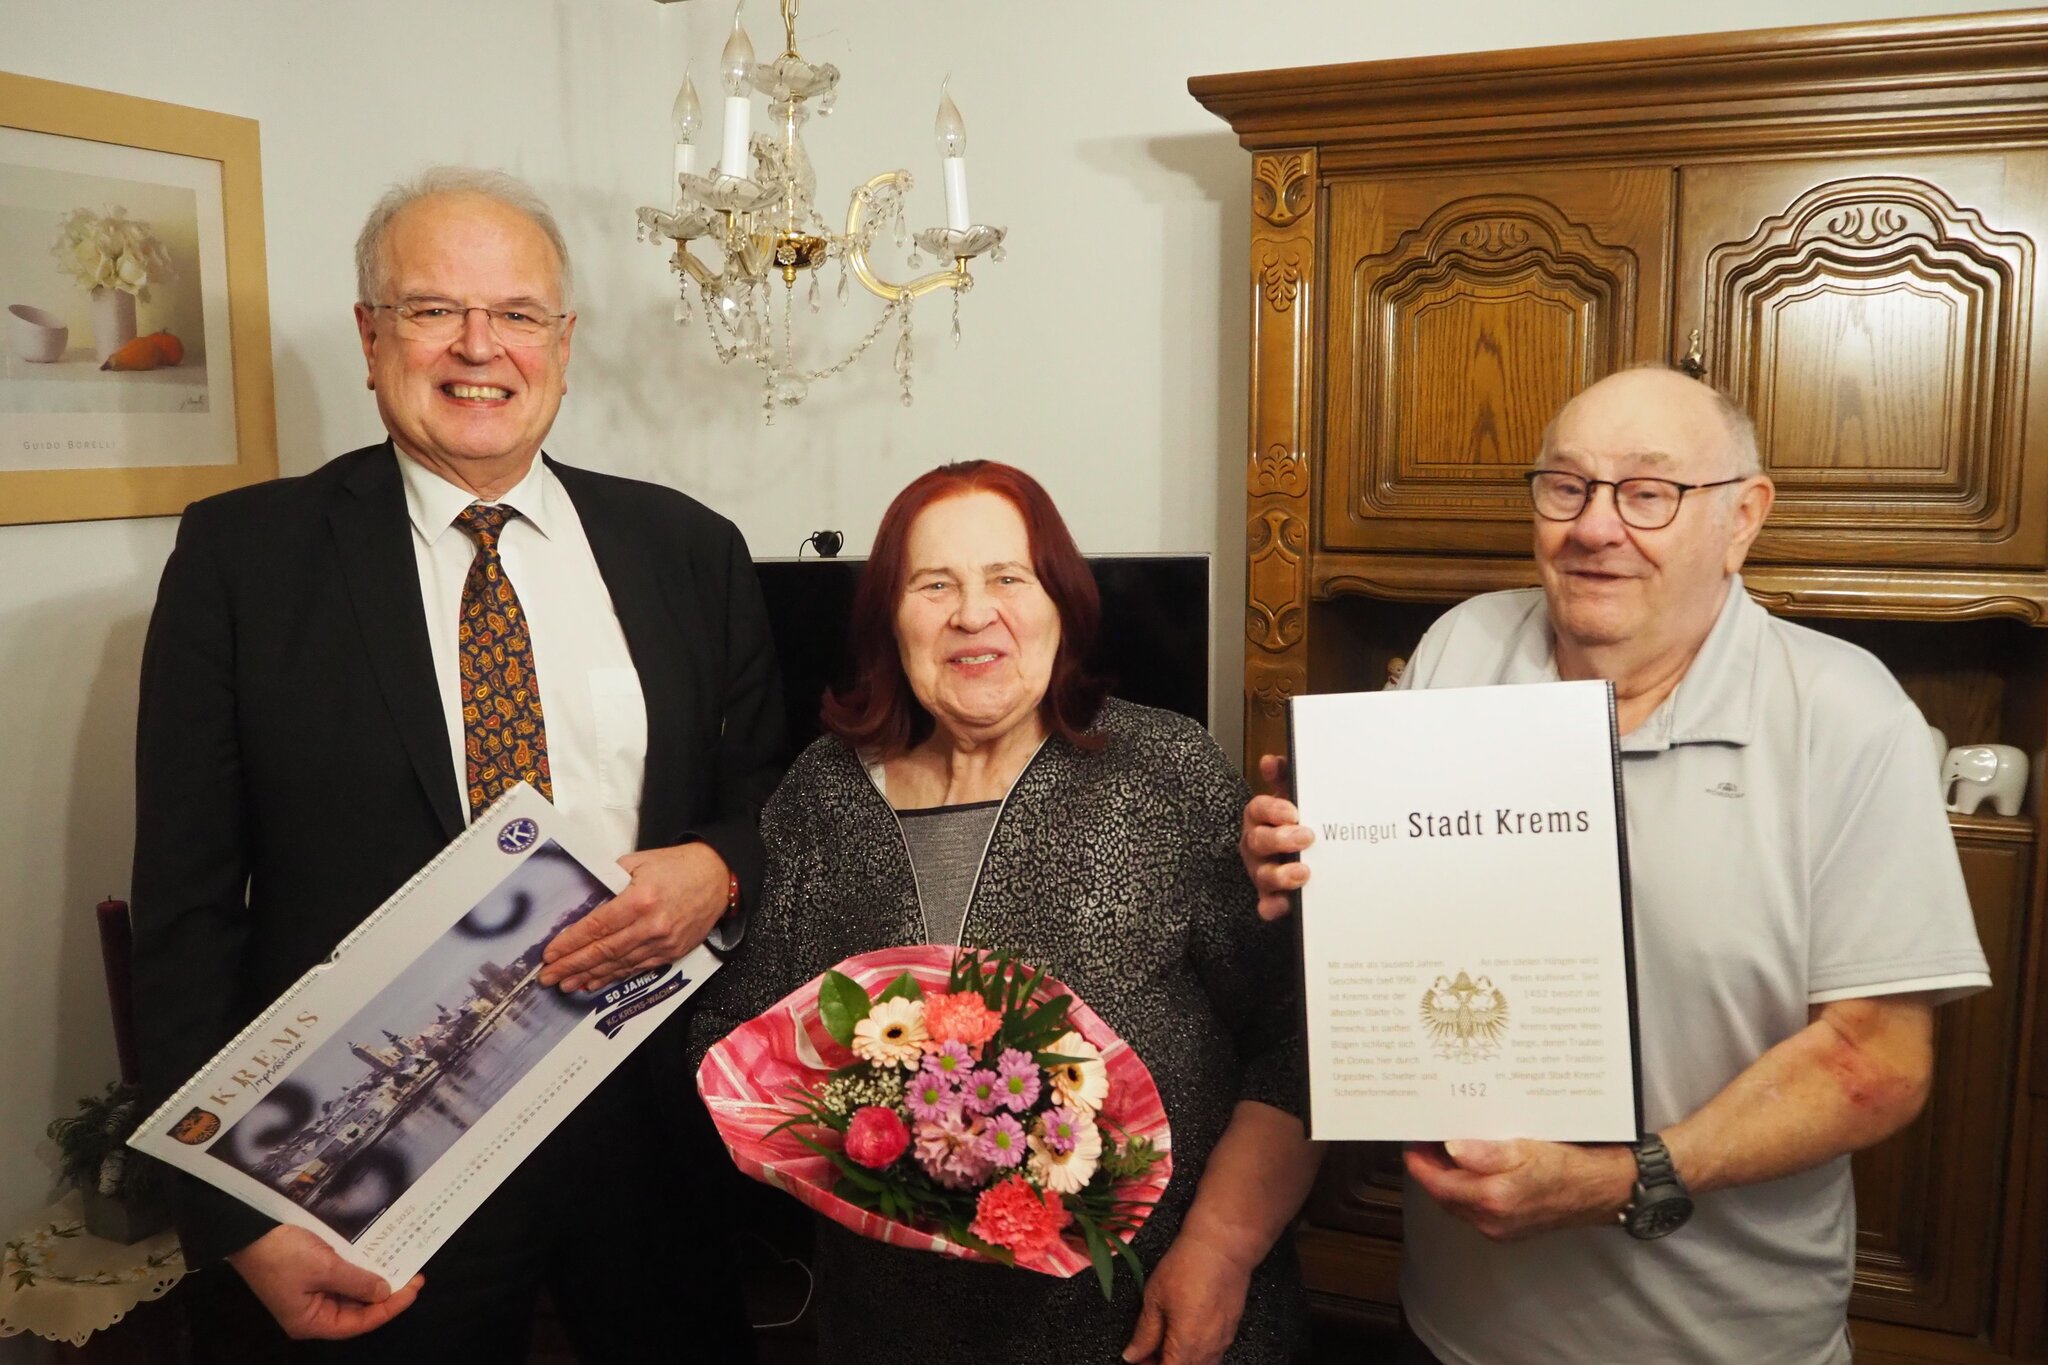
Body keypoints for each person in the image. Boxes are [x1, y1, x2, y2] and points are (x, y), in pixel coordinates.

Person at [130, 166, 783, 1361]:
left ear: (563, 344)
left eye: (517, 314)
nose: (478, 347)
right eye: (433, 310)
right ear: (373, 338)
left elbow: (772, 801)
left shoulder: (687, 547)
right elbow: (182, 913)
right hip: (368, 1161)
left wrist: (721, 867)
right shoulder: (244, 562)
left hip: (646, 1131)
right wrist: (229, 1217)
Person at [1239, 366, 1991, 1365]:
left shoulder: (1846, 716)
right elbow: (1398, 931)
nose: (1595, 527)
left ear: (1741, 517)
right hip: (1455, 1328)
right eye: (1566, 486)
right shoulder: (1458, 649)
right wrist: (1305, 862)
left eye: (1648, 493)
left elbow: (1876, 1061)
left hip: (1722, 1343)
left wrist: (1624, 1180)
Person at [688, 461, 1320, 1364]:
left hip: (1156, 1314)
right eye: (933, 584)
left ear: (1062, 603)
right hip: (891, 1330)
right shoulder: (821, 796)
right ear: (887, 620)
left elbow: (1293, 1039)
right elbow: (733, 1034)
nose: (972, 613)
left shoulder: (1165, 772)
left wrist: (1221, 1250)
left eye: (1007, 579)